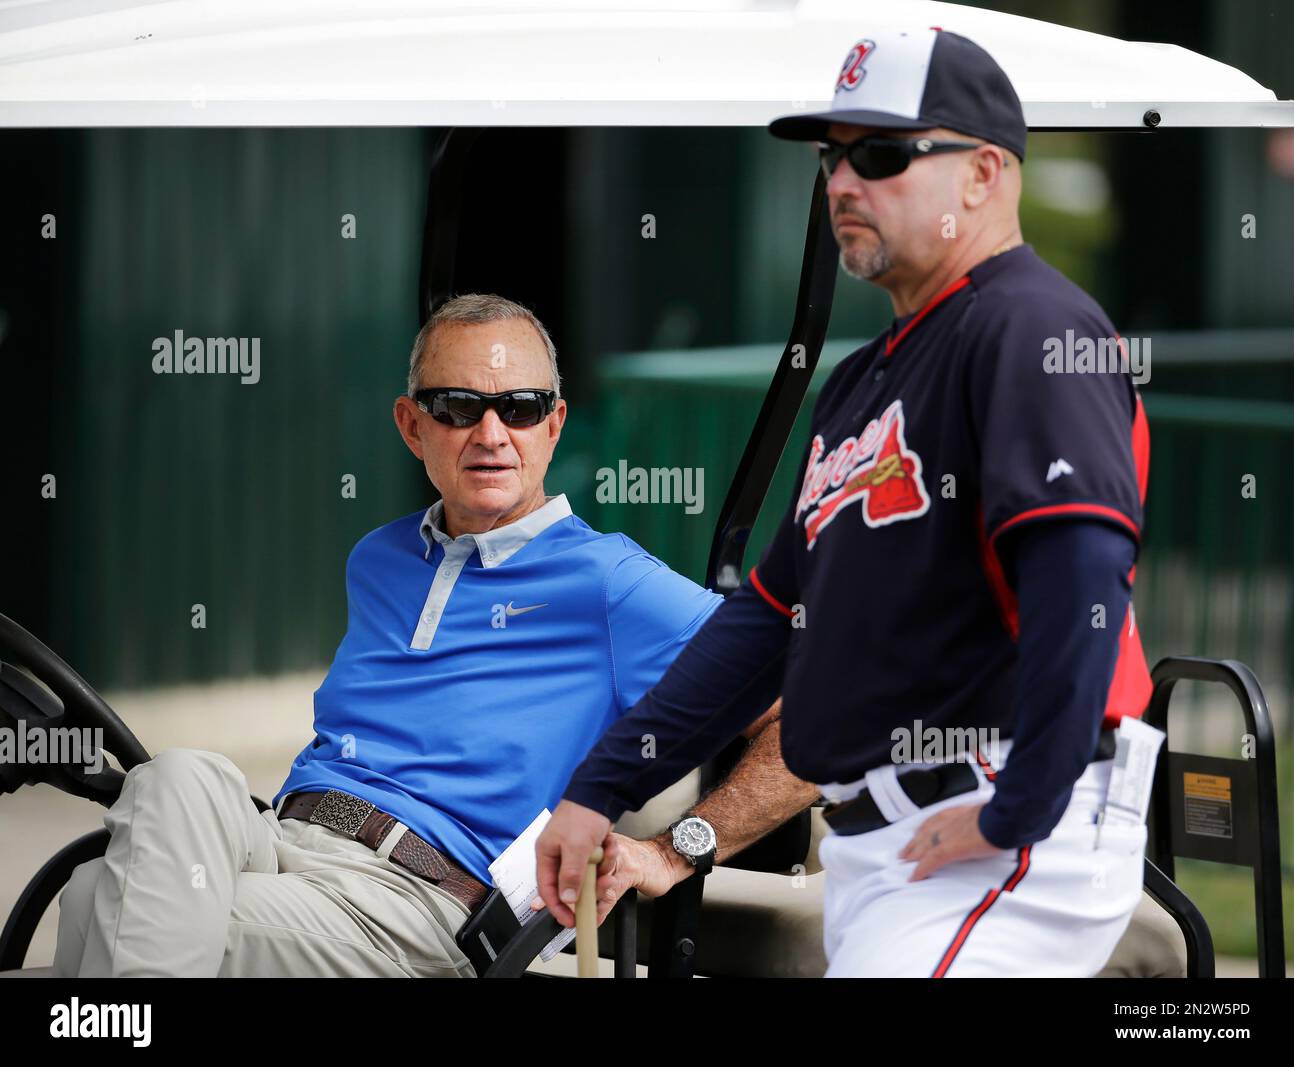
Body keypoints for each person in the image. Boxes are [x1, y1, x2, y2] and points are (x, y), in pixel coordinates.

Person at [537, 29, 1154, 977]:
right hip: (886, 840)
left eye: (880, 153)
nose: (840, 182)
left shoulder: (1032, 328)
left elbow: (1080, 582)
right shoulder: (867, 378)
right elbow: (765, 620)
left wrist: (1017, 806)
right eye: (833, 156)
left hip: (1002, 814)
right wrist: (601, 787)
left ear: (985, 174)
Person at [52, 293, 814, 977]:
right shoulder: (379, 557)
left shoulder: (611, 583)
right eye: (456, 406)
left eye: (518, 407)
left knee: (103, 903)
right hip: (280, 837)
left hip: (415, 907)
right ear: (411, 424)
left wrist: (676, 849)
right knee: (177, 775)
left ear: (554, 424)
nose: (490, 433)